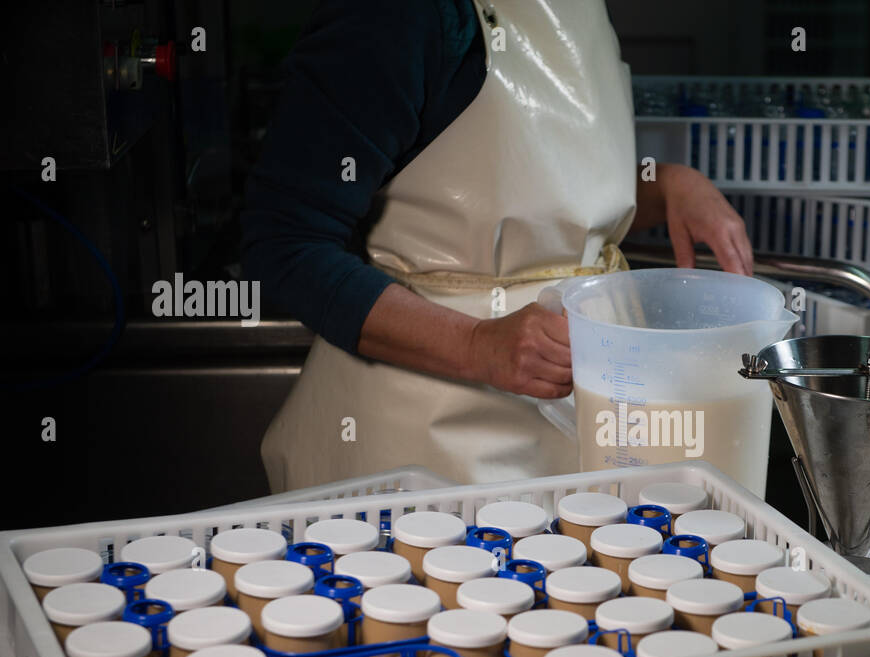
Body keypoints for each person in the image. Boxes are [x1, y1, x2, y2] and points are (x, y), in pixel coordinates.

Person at [242, 0, 753, 492]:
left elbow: (540, 202)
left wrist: (665, 187)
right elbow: (286, 242)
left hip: (569, 424)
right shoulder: (396, 14)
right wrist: (476, 346)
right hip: (418, 445)